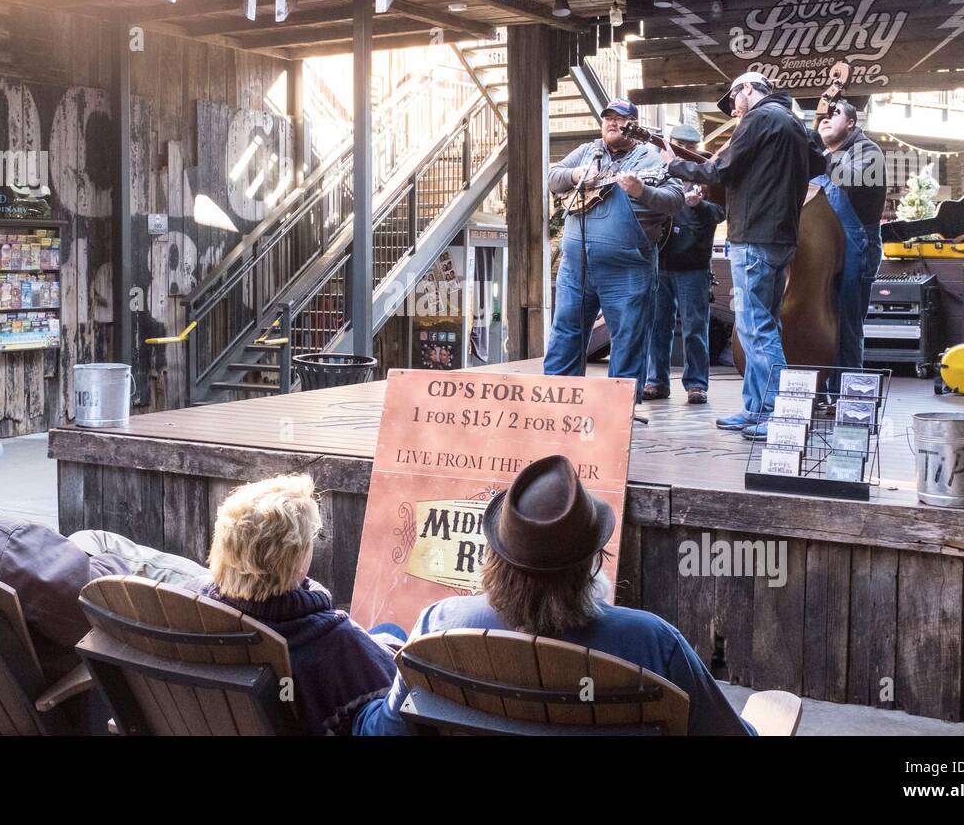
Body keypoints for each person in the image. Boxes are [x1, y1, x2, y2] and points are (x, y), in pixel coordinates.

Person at [354, 455, 756, 736]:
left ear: (495, 557)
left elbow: (385, 730)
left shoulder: (440, 626)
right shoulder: (653, 644)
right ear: (591, 561)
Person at [0, 420, 207, 682]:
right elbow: (94, 613)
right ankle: (216, 589)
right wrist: (101, 564)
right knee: (128, 557)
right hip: (44, 681)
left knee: (91, 536)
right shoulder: (5, 544)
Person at [661, 73, 825, 440]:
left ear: (748, 89)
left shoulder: (758, 117)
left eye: (733, 101)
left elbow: (718, 170)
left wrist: (674, 164)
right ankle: (755, 408)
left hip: (753, 234)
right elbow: (818, 165)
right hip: (782, 235)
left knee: (756, 328)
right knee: (766, 324)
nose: (733, 110)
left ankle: (779, 414)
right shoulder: (794, 122)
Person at [185, 474, 397, 735]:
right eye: (310, 542)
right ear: (296, 561)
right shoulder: (335, 642)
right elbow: (394, 690)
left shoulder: (190, 602)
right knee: (394, 634)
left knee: (387, 632)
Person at [544, 98, 688, 399]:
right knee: (565, 335)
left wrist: (642, 190)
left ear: (633, 125)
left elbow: (676, 198)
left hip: (628, 269)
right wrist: (575, 176)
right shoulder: (588, 150)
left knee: (628, 340)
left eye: (619, 118)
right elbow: (553, 178)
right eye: (607, 117)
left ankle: (617, 412)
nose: (611, 123)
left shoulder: (650, 159)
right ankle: (557, 405)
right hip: (576, 268)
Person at [645, 124, 726, 404]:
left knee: (695, 326)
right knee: (658, 325)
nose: (684, 151)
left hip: (693, 262)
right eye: (679, 145)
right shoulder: (658, 169)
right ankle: (656, 381)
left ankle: (696, 384)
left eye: (689, 147)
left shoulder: (709, 173)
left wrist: (698, 206)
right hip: (661, 258)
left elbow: (721, 213)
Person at [813, 100, 886, 372]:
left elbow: (851, 179)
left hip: (855, 249)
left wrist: (818, 156)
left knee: (846, 324)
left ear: (851, 123)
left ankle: (846, 394)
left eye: (835, 114)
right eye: (823, 116)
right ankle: (819, 389)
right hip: (820, 253)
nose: (826, 119)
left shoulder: (868, 152)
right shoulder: (822, 154)